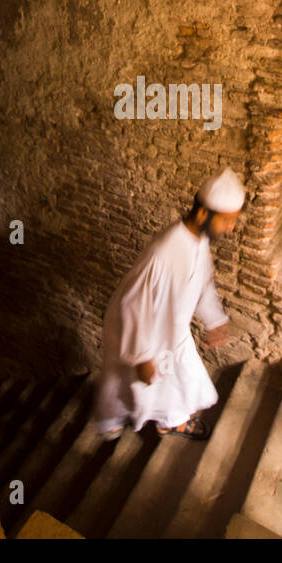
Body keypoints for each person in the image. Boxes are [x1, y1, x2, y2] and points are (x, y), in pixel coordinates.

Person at [91, 168, 244, 442]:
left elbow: (202, 282)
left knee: (176, 378)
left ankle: (170, 421)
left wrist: (214, 319)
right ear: (202, 214)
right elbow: (132, 306)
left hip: (170, 328)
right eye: (228, 220)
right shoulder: (165, 252)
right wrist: (141, 356)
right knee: (124, 381)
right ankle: (109, 420)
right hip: (139, 331)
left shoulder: (199, 241)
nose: (231, 228)